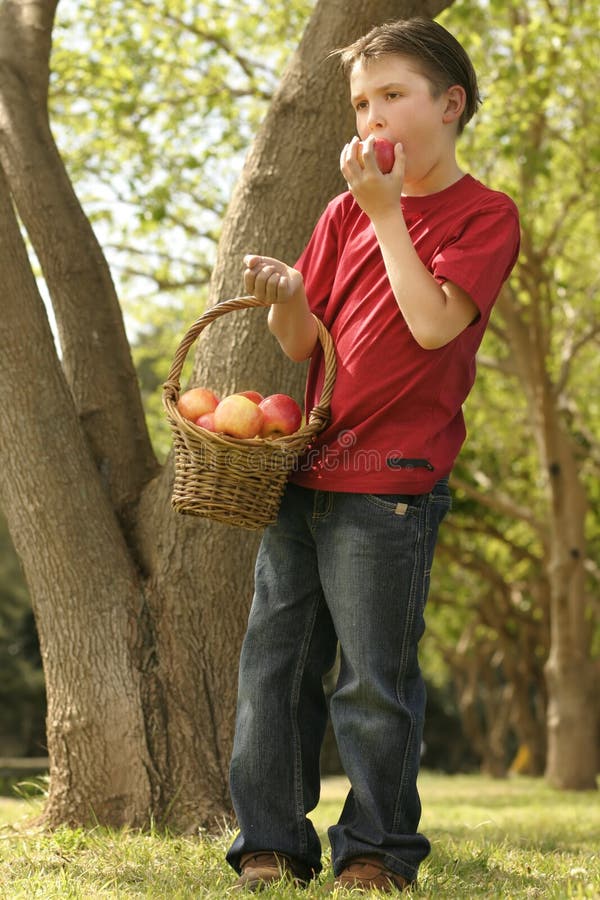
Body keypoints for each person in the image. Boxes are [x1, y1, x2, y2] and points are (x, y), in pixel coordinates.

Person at [226, 16, 520, 893]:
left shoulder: (484, 215)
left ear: (450, 104)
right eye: (362, 103)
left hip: (389, 485)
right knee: (273, 671)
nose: (373, 118)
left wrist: (388, 213)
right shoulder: (338, 212)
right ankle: (270, 842)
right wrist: (285, 297)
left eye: (393, 96)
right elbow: (299, 343)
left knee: (372, 683)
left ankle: (376, 851)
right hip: (304, 470)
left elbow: (433, 323)